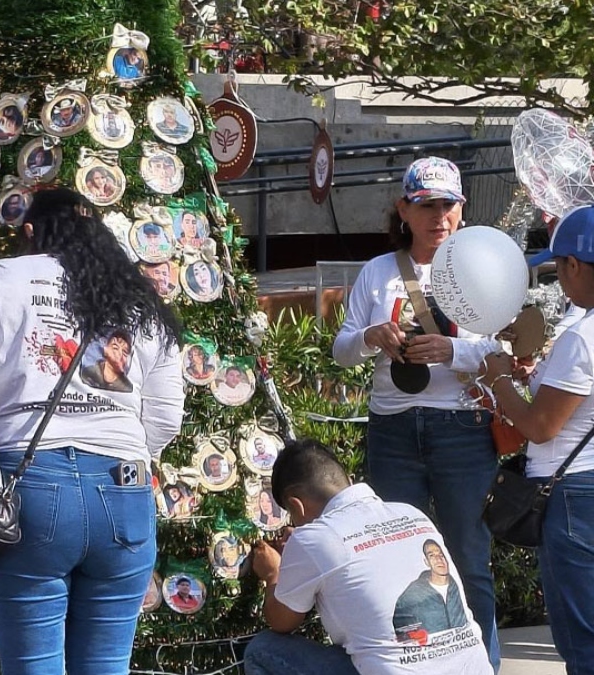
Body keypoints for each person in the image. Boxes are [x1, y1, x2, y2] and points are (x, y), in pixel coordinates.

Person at [0, 187, 184, 675]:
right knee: (107, 666)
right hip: (125, 490)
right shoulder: (139, 300)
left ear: (29, 231)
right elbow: (165, 417)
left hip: (26, 484)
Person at [331, 157, 500, 667]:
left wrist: (453, 352)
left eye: (447, 204)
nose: (438, 216)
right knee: (399, 559)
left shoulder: (482, 266)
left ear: (462, 210)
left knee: (469, 557)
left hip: (461, 427)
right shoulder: (379, 271)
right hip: (393, 429)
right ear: (404, 209)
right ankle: (417, 665)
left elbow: (501, 352)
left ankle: (481, 664)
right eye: (426, 205)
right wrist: (369, 337)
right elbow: (341, 348)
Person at [244, 440, 492, 675]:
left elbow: (281, 621)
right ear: (348, 481)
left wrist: (273, 573)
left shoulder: (312, 538)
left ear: (296, 506)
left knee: (262, 649)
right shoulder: (411, 514)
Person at [479, 204, 594, 675]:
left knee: (582, 639)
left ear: (573, 264)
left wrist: (499, 376)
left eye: (558, 267)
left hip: (573, 498)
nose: (558, 280)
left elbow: (540, 426)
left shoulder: (582, 337)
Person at [392, 540, 468, 644]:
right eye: (432, 555)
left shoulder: (460, 585)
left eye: (441, 555)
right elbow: (399, 632)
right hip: (432, 657)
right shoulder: (412, 594)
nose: (439, 559)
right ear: (426, 561)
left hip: (465, 653)